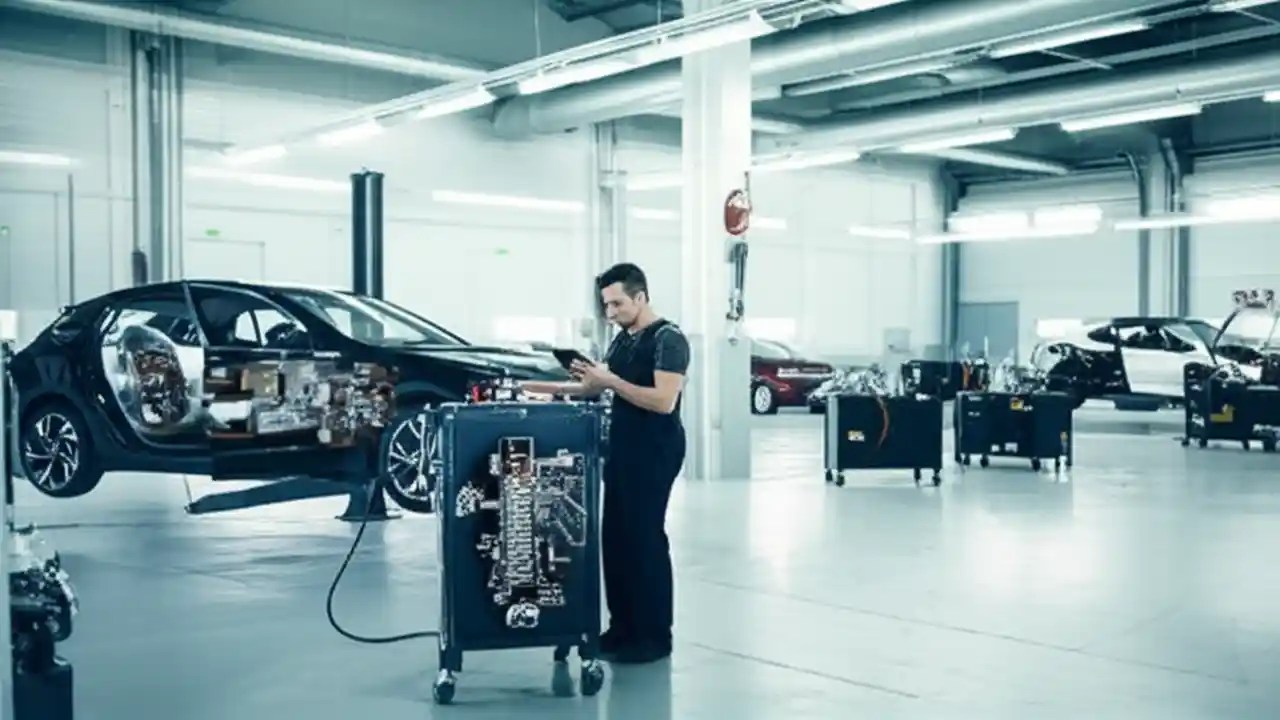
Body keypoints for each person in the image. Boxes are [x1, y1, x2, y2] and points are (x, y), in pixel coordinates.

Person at [522, 262, 689, 664]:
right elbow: (593, 388)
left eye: (616, 304)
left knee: (644, 540)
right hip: (623, 447)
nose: (610, 313)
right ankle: (621, 629)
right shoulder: (622, 341)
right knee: (614, 540)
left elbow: (663, 402)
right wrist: (540, 388)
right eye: (605, 306)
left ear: (641, 297)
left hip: (655, 449)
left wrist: (608, 380)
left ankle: (653, 637)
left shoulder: (669, 340)